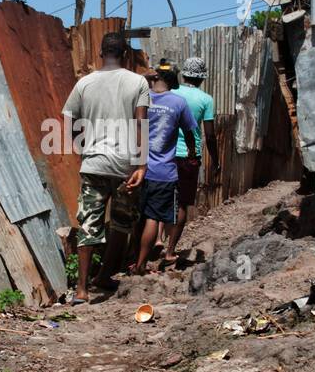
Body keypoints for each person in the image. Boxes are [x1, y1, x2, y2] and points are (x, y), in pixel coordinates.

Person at [62, 31, 149, 304]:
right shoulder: (138, 82)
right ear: (125, 54)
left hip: (94, 164)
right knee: (121, 224)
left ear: (101, 53)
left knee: (88, 225)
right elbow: (140, 124)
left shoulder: (84, 84)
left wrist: (81, 148)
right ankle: (106, 276)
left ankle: (81, 290)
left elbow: (67, 119)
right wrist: (142, 165)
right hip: (125, 166)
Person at [133, 62, 196, 275]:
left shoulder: (143, 99)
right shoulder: (178, 102)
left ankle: (131, 259)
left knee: (137, 217)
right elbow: (189, 132)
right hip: (163, 171)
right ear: (173, 80)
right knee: (153, 217)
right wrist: (192, 152)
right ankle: (141, 264)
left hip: (136, 169)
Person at [165, 56, 219, 262]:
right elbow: (210, 134)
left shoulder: (171, 93)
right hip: (189, 157)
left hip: (165, 154)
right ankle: (170, 250)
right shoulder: (205, 99)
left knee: (163, 198)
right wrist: (215, 159)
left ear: (184, 74)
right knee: (182, 205)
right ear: (202, 78)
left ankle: (160, 241)